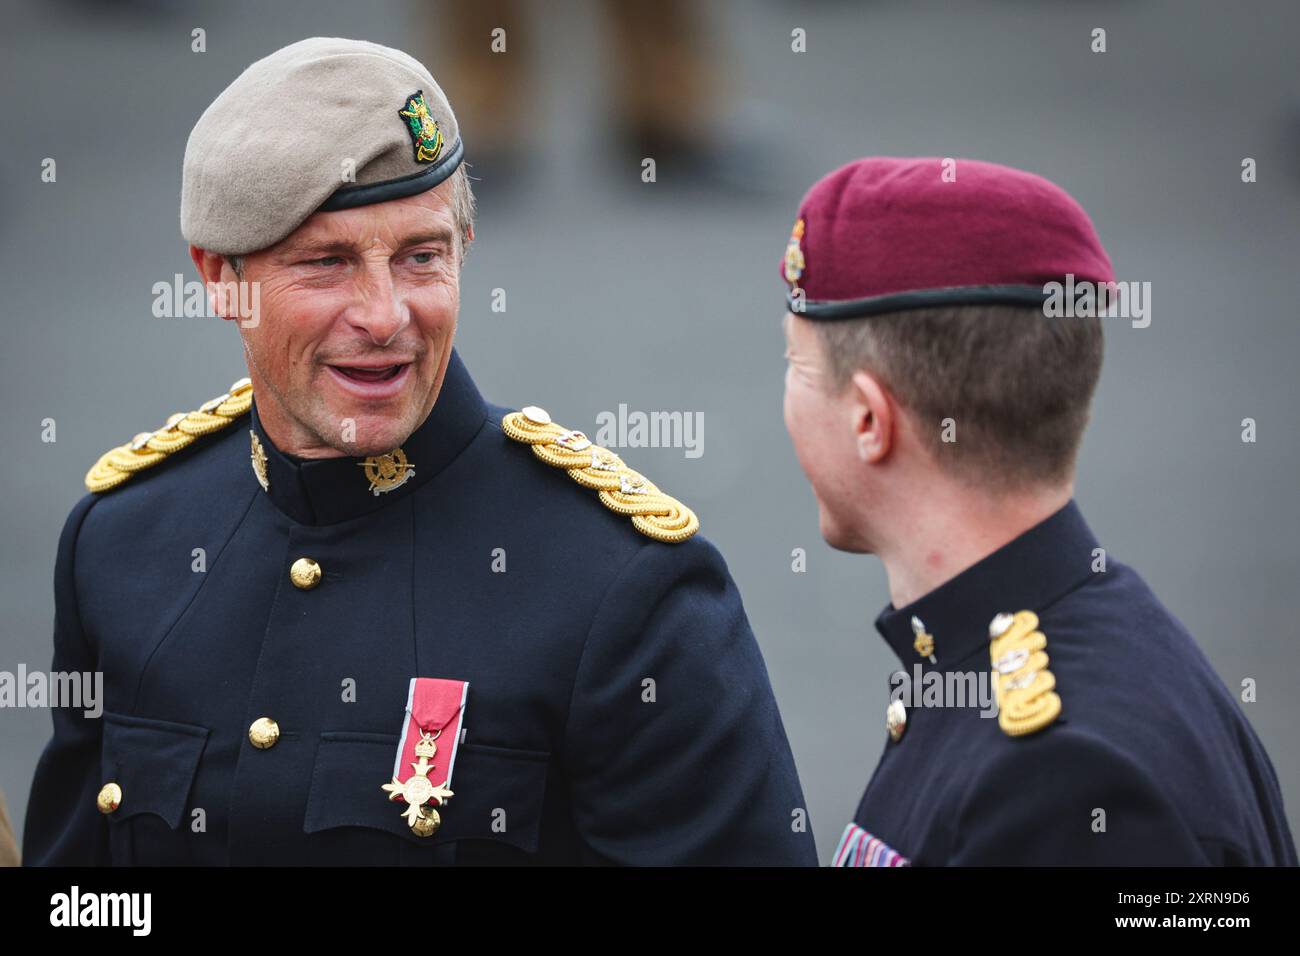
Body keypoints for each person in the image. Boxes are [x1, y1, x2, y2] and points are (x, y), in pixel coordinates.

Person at [22, 37, 815, 866]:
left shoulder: (619, 587)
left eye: (421, 256)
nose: (385, 314)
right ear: (219, 279)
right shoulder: (120, 549)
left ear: (465, 250)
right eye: (326, 263)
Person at [778, 156, 1297, 866]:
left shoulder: (1065, 784)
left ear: (871, 419)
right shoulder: (1048, 657)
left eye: (796, 366)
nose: (788, 397)